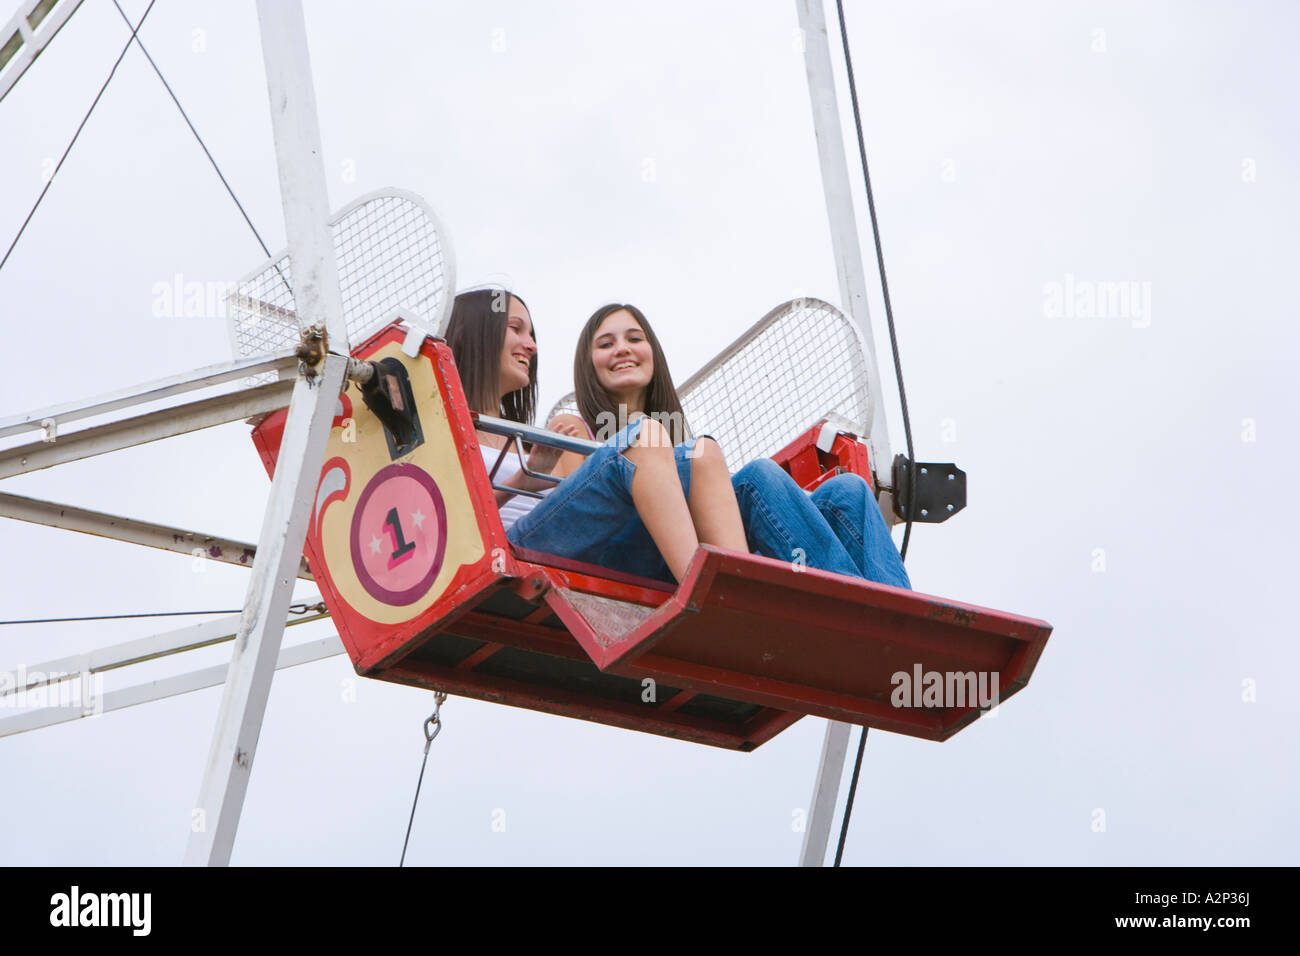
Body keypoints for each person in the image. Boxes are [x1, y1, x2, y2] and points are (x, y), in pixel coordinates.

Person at [563, 303, 912, 590]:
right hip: (638, 559)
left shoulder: (680, 443)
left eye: (634, 338)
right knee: (756, 477)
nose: (622, 348)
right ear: (587, 365)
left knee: (846, 491)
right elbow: (576, 525)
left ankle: (901, 612)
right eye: (606, 344)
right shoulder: (579, 434)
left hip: (698, 546)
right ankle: (849, 600)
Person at [444, 292, 745, 584]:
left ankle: (737, 594)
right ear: (476, 333)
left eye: (531, 334)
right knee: (645, 436)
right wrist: (520, 483)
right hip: (514, 554)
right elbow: (440, 530)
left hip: (557, 543)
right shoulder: (440, 436)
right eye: (515, 329)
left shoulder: (524, 441)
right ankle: (702, 593)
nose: (531, 345)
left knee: (705, 453)